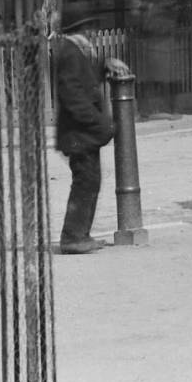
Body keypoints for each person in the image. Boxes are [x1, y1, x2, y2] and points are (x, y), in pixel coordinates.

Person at [52, 29, 123, 254]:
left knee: (90, 181)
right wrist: (98, 123)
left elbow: (85, 79)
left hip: (82, 133)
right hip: (78, 133)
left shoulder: (75, 50)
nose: (93, 33)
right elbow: (72, 94)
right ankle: (72, 237)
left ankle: (81, 234)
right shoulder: (70, 52)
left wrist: (104, 66)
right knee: (85, 182)